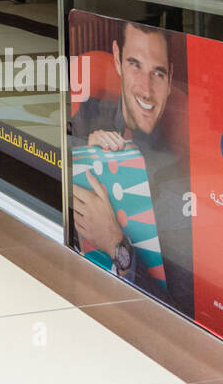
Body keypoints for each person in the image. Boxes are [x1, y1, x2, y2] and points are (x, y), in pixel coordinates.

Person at [70, 21, 193, 318]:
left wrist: (116, 245)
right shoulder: (88, 113)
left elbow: (179, 314)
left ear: (170, 78)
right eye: (134, 65)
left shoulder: (180, 180)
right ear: (116, 59)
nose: (146, 89)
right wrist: (82, 148)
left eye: (158, 73)